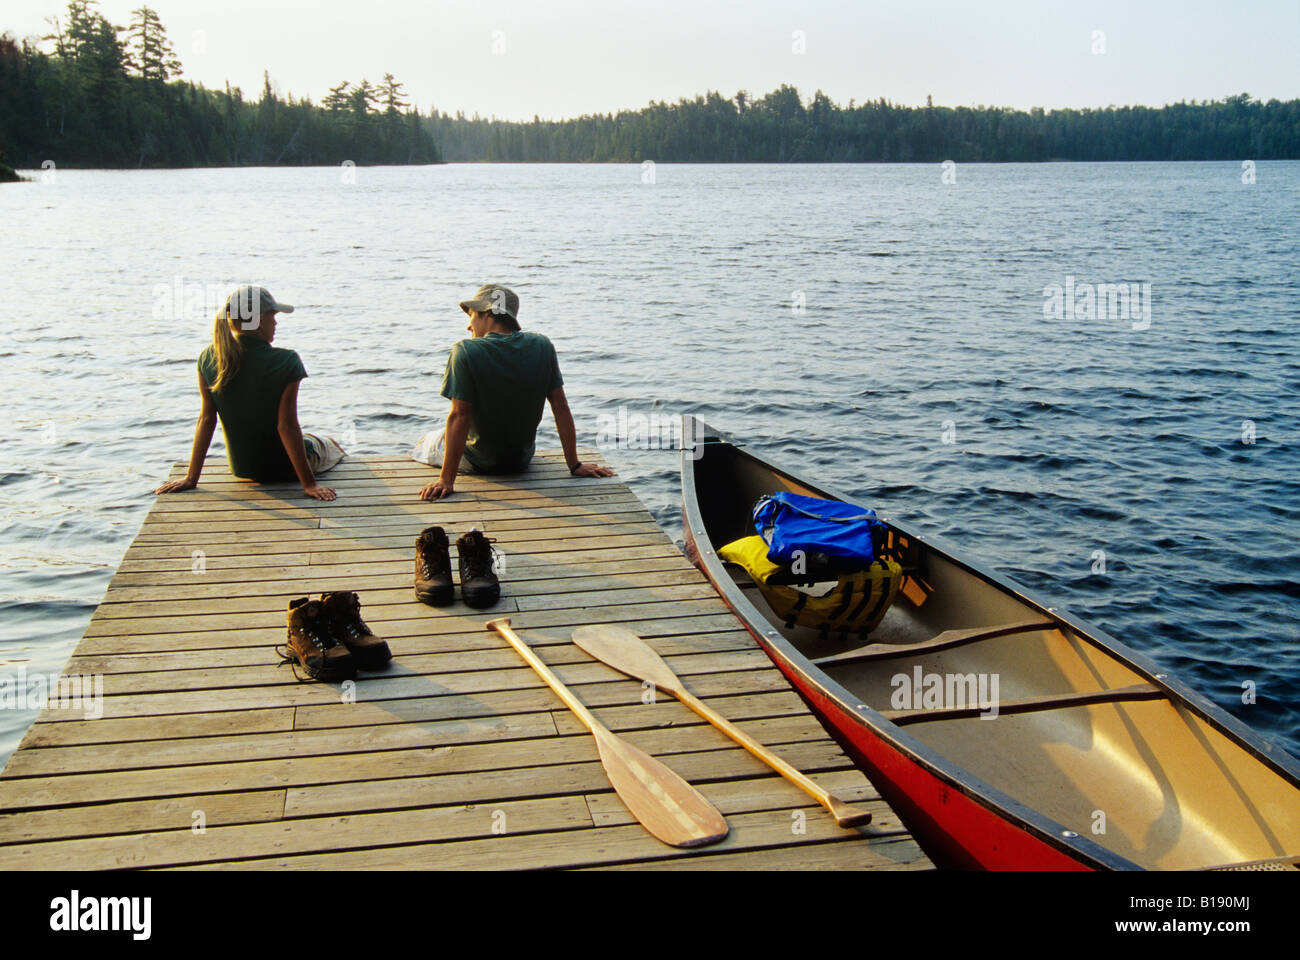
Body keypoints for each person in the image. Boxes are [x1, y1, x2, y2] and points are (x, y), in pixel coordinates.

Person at [413, 283, 614, 500]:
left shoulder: (465, 351)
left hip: (478, 462)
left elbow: (460, 416)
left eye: (471, 316)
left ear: (487, 313)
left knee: (425, 442)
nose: (468, 326)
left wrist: (446, 480)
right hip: (520, 460)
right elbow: (560, 407)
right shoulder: (542, 345)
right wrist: (574, 465)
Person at [156, 285, 345, 500]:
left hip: (243, 469)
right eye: (272, 315)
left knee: (310, 439)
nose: (276, 322)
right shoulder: (287, 360)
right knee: (331, 445)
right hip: (285, 468)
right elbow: (287, 426)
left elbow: (206, 419)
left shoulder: (207, 358)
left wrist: (191, 479)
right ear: (258, 320)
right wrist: (310, 485)